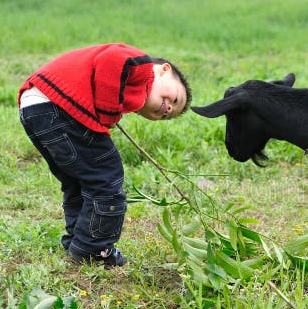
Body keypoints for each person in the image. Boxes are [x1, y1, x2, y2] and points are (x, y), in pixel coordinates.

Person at [17, 43, 191, 267]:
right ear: (163, 70)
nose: (168, 109)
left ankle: (78, 242)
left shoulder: (129, 87)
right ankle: (94, 250)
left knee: (79, 181)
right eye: (175, 98)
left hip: (36, 106)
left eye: (169, 115)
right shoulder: (142, 66)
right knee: (106, 177)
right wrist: (108, 112)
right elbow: (113, 58)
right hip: (59, 105)